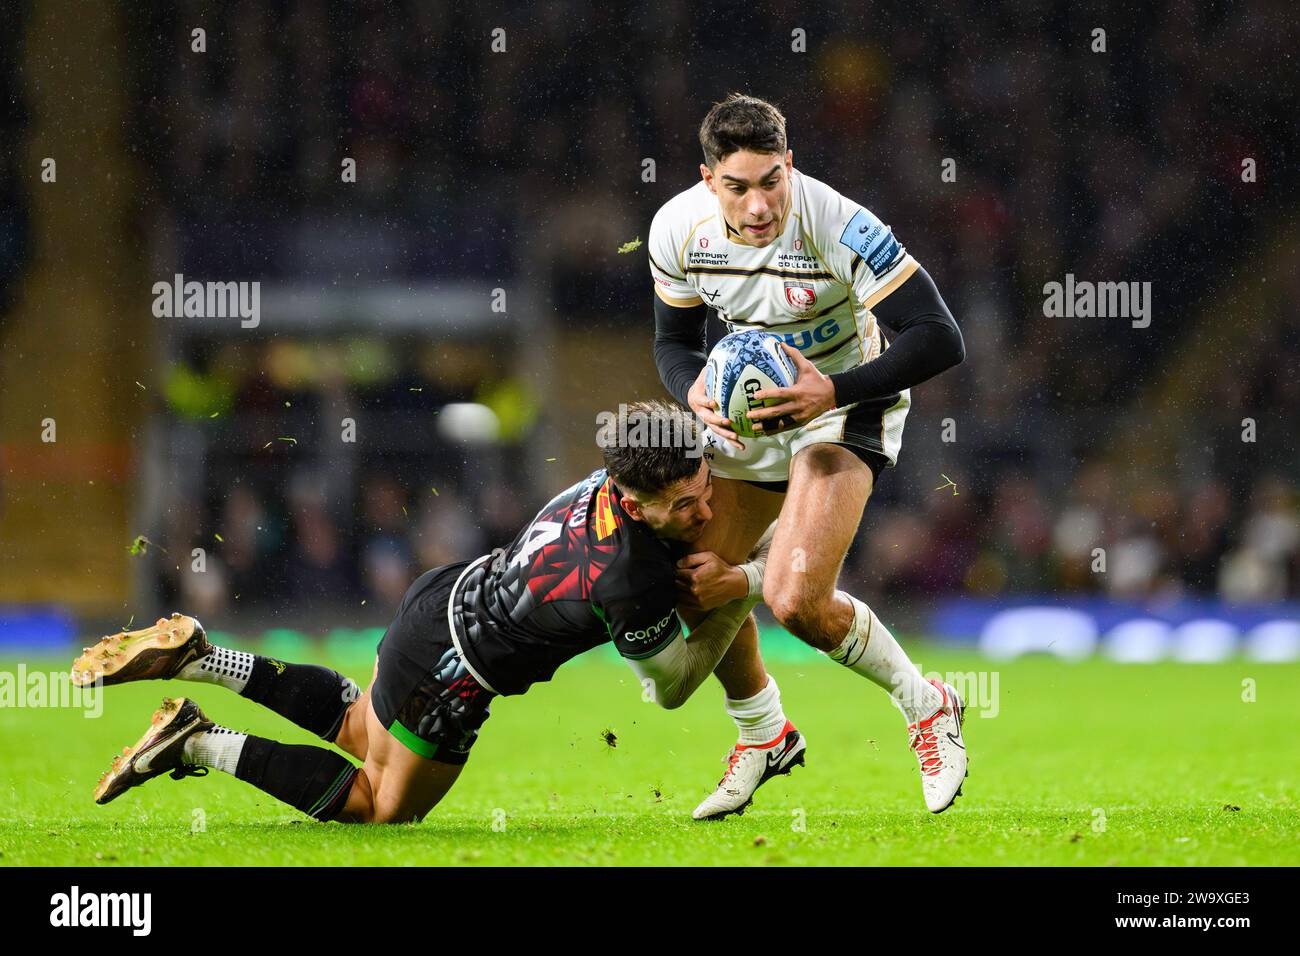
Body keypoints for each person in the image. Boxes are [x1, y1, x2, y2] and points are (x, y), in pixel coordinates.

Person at [72, 401, 785, 823]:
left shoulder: (622, 465)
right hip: (456, 670)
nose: (706, 510)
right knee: (381, 805)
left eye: (703, 489)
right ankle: (196, 743)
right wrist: (747, 583)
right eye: (685, 506)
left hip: (439, 598)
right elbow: (674, 688)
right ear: (633, 505)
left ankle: (205, 658)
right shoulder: (628, 579)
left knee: (358, 724)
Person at [649, 93, 969, 814]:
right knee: (695, 577)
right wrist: (692, 390)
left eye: (771, 180)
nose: (758, 204)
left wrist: (836, 392)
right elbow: (673, 343)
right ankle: (764, 734)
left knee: (794, 600)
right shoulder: (675, 228)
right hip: (753, 413)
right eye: (738, 186)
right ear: (708, 180)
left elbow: (939, 335)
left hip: (846, 400)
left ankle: (928, 706)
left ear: (789, 165)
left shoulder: (838, 223)